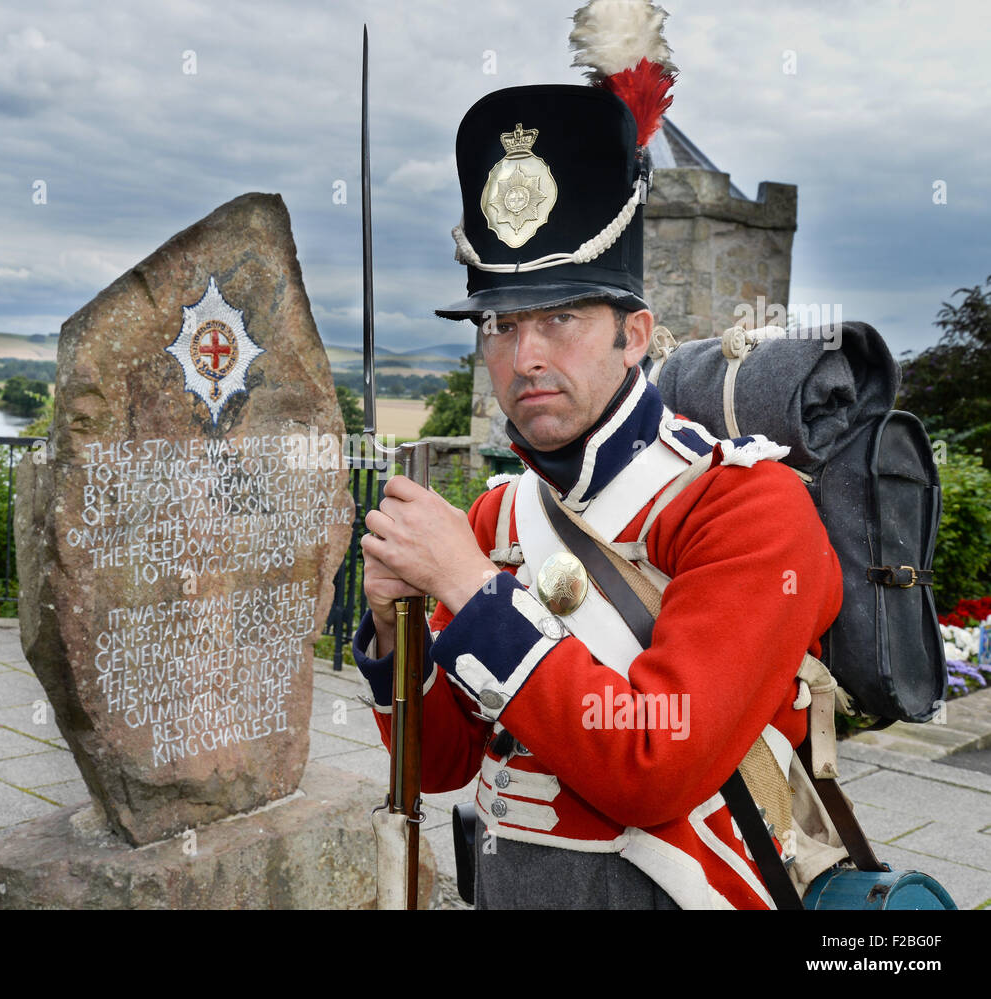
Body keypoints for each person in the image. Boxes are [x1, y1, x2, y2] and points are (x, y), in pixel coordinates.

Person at [352, 75, 843, 909]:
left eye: (561, 317)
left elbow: (655, 764)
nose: (525, 355)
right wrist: (396, 635)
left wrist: (470, 589)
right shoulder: (498, 514)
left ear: (634, 336)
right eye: (500, 325)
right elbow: (440, 765)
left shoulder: (749, 506)